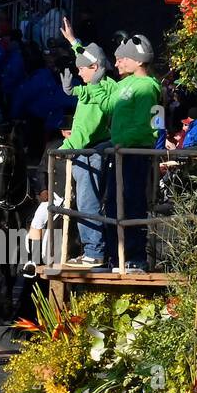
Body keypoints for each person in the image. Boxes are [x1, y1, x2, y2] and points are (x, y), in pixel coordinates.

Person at [97, 30, 161, 271]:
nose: (116, 63)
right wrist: (96, 79)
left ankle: (135, 257)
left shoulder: (147, 87)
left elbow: (150, 125)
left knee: (133, 202)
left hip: (134, 153)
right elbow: (106, 104)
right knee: (113, 204)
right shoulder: (125, 85)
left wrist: (125, 141)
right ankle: (116, 255)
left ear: (137, 60)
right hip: (120, 151)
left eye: (122, 58)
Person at [58, 39, 113, 270]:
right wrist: (74, 43)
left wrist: (63, 149)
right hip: (93, 150)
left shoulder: (96, 90)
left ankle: (93, 251)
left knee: (86, 202)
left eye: (81, 68)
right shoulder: (104, 84)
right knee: (89, 202)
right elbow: (92, 57)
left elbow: (84, 129)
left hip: (87, 153)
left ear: (95, 68)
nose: (78, 72)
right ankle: (94, 250)